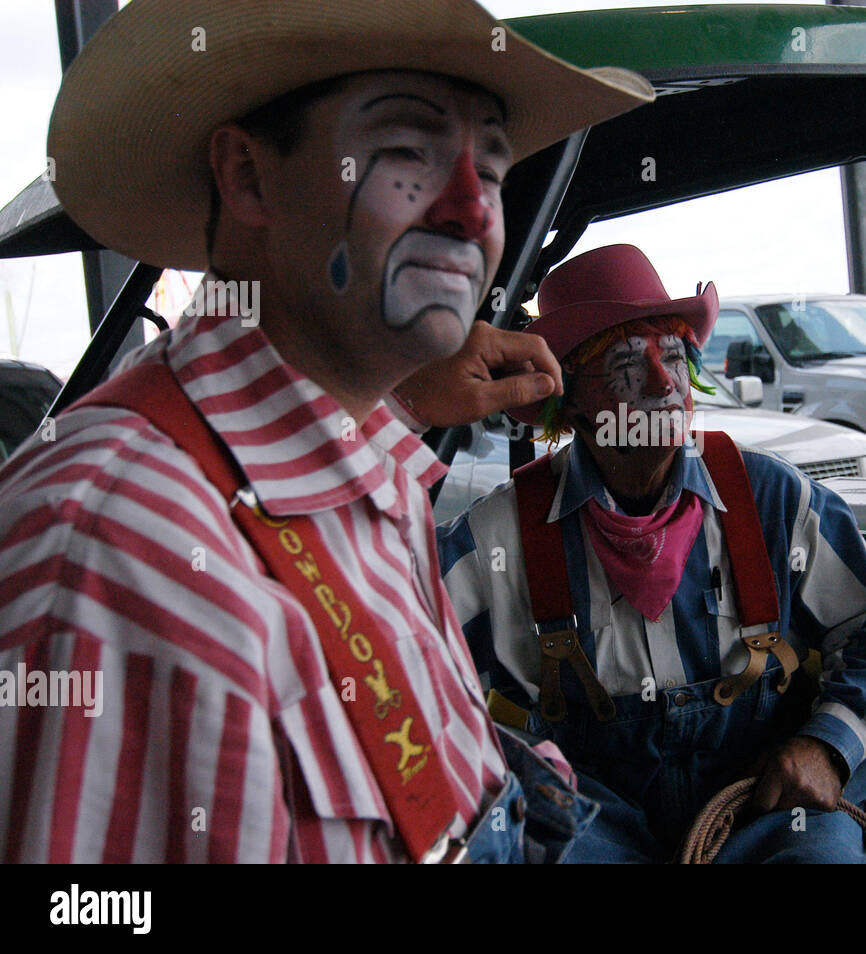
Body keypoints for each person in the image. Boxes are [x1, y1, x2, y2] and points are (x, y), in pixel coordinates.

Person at [0, 0, 652, 863]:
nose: (471, 210)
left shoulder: (366, 474)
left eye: (491, 171)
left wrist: (406, 410)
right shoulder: (105, 546)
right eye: (407, 153)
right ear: (248, 176)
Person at [437, 244, 866, 863]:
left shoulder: (772, 499)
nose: (666, 383)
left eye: (674, 356)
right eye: (629, 366)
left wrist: (828, 745)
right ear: (570, 397)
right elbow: (406, 672)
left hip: (767, 811)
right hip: (596, 821)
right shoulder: (501, 536)